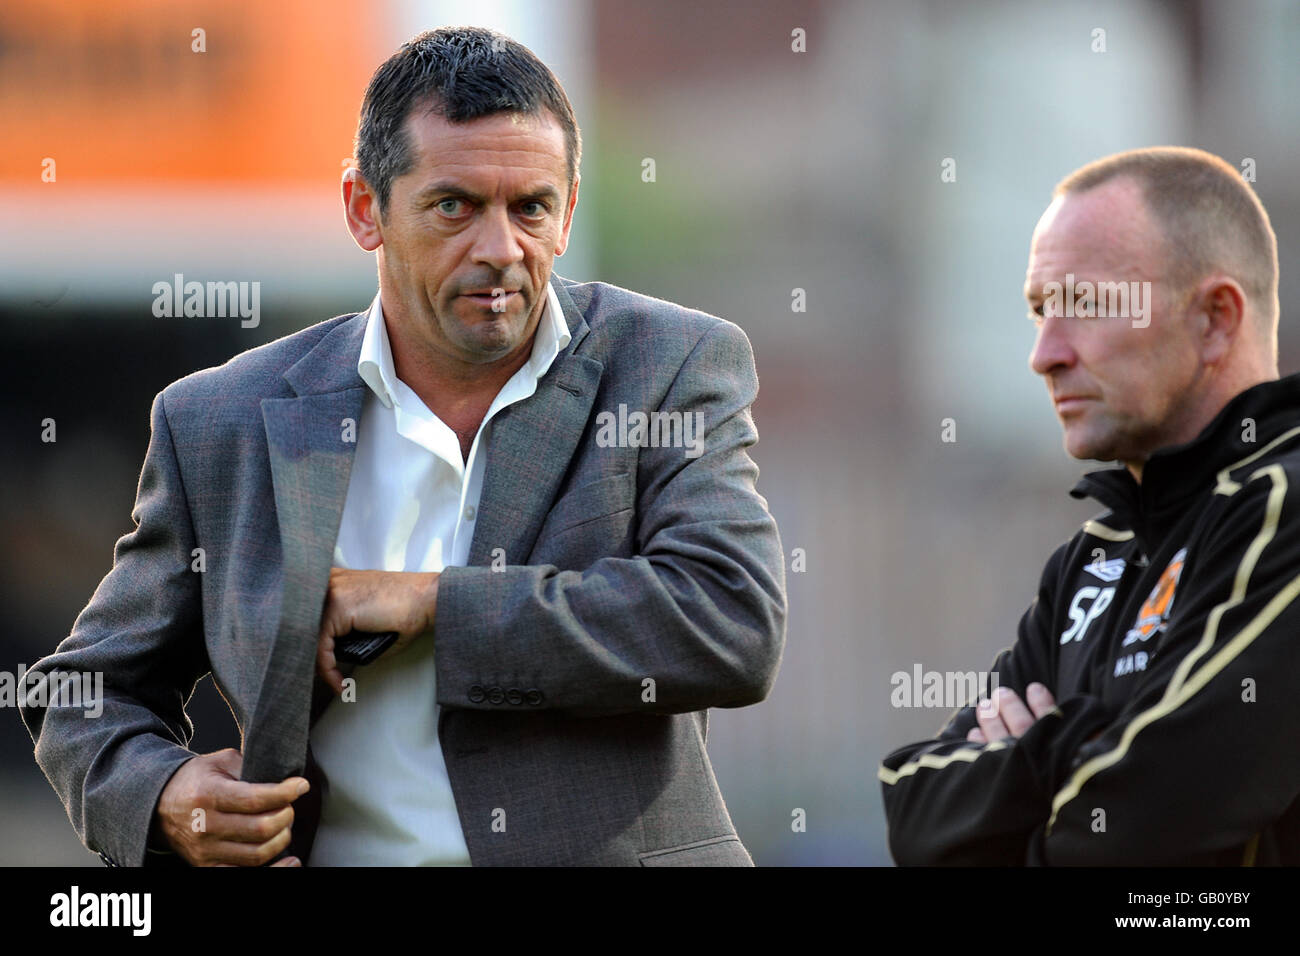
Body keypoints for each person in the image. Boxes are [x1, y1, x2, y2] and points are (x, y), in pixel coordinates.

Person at [20, 26, 786, 867]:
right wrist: (161, 796)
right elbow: (81, 692)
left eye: (530, 207)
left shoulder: (669, 365)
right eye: (454, 205)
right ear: (364, 209)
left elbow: (730, 619)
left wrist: (432, 603)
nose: (500, 250)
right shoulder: (223, 420)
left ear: (568, 212)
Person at [880, 146, 1300, 865]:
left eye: (1085, 304)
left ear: (1215, 320)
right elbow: (913, 810)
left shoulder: (1281, 506)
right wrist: (1077, 749)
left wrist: (1028, 756)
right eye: (1041, 310)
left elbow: (1153, 811)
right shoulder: (1094, 553)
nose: (1044, 353)